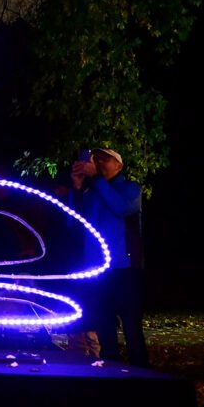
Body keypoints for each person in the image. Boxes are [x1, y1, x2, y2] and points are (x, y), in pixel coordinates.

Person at [71, 146, 147, 364]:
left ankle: (142, 374)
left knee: (131, 327)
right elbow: (74, 223)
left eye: (106, 159)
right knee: (104, 327)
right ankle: (111, 373)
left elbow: (121, 208)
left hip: (125, 268)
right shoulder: (91, 193)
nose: (99, 163)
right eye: (96, 159)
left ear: (119, 165)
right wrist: (76, 189)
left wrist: (95, 179)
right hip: (97, 270)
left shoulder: (131, 189)